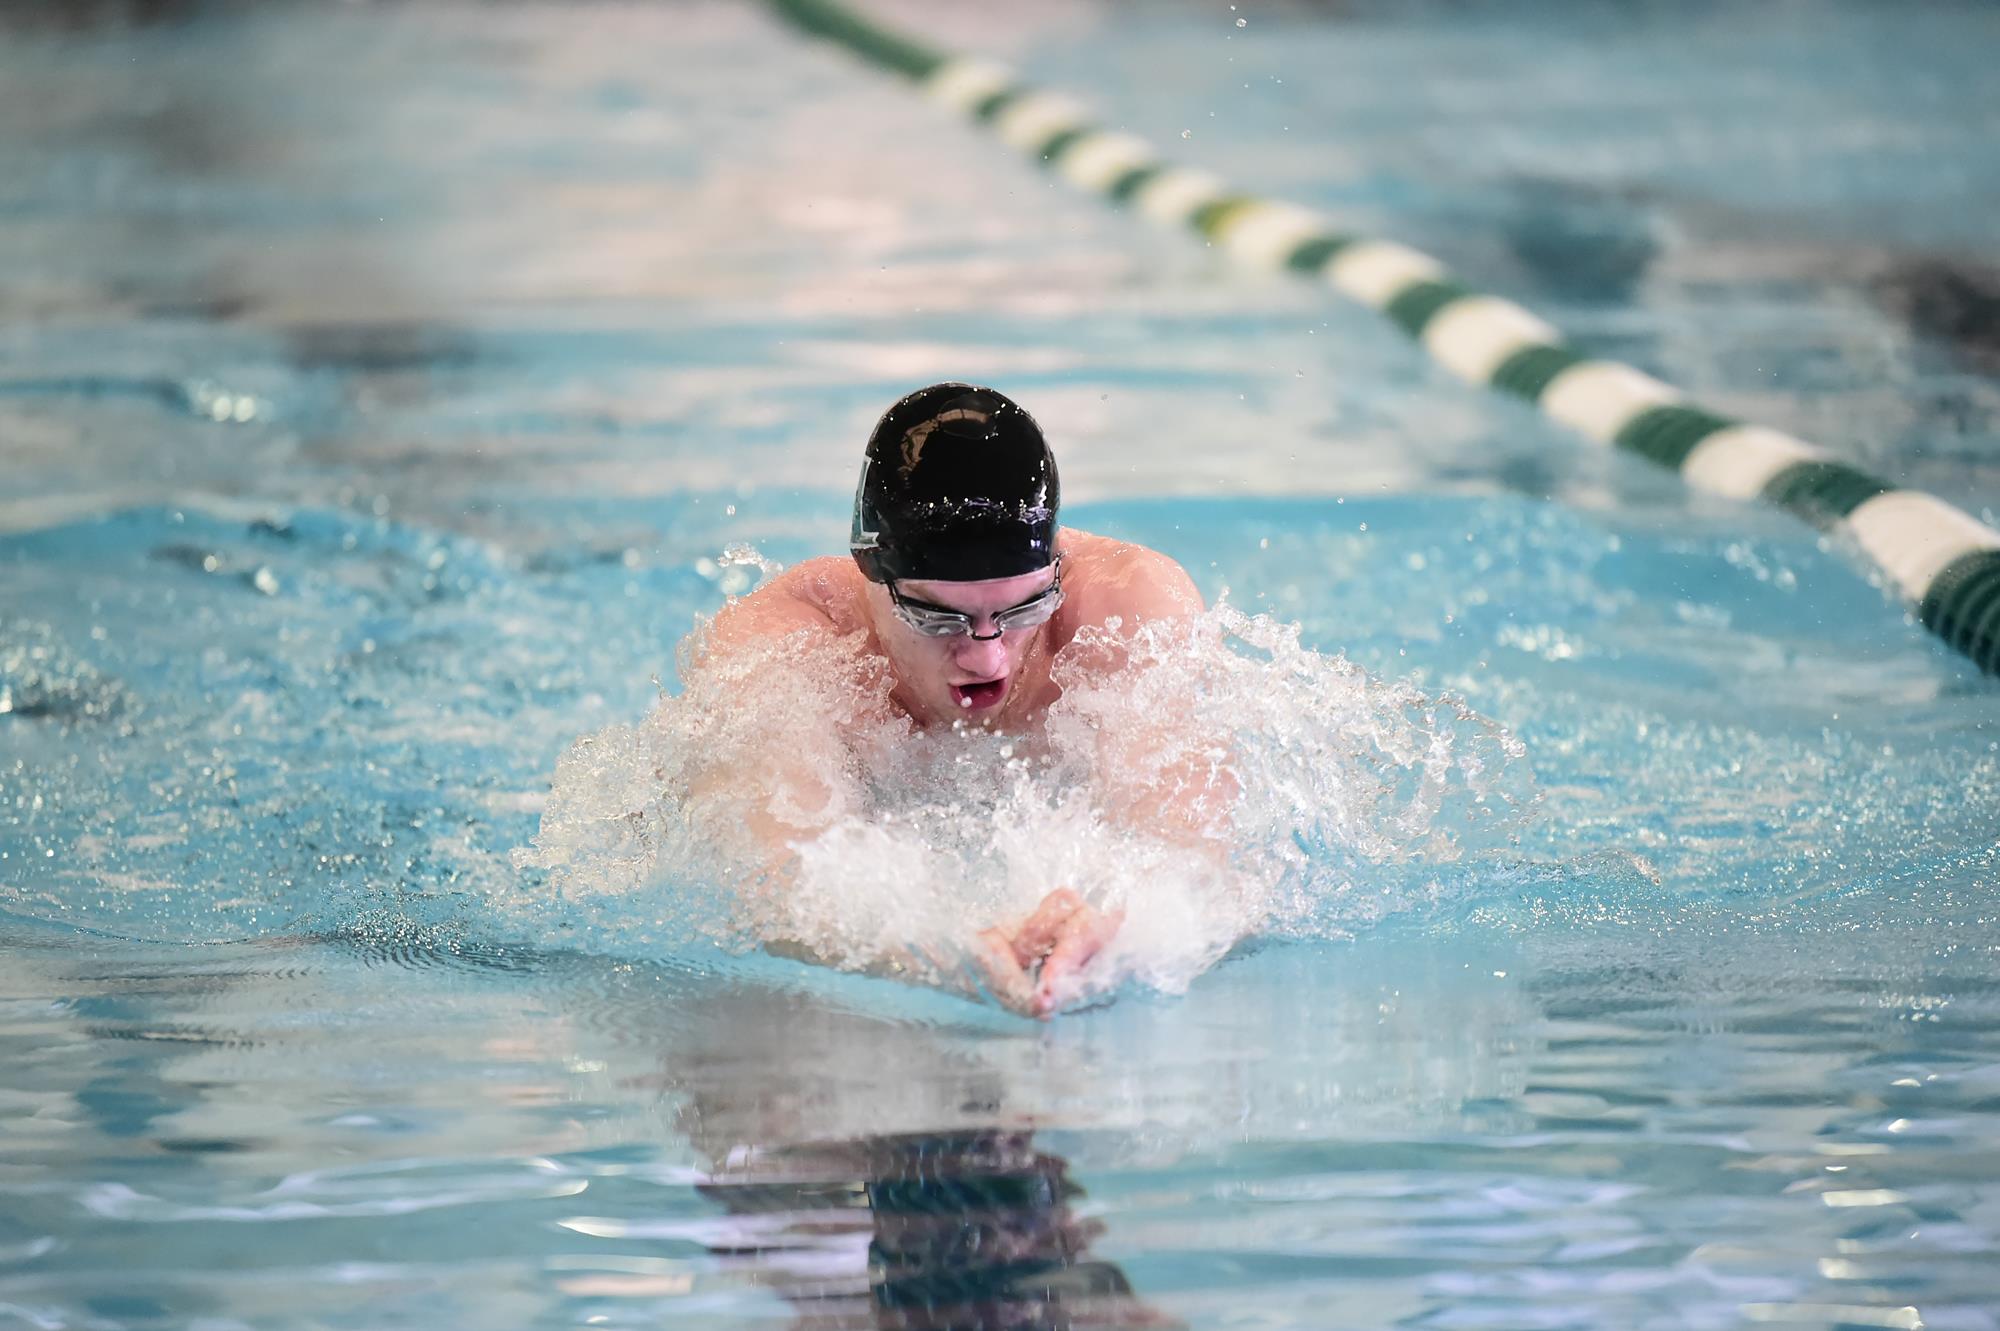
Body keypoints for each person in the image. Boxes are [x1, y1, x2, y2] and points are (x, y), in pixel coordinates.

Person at [694, 382, 1232, 1018]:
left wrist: (1126, 927)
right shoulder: (788, 642)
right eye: (937, 618)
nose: (988, 657)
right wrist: (928, 947)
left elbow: (1195, 858)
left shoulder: (1125, 606)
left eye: (1025, 608)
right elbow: (775, 885)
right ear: (871, 575)